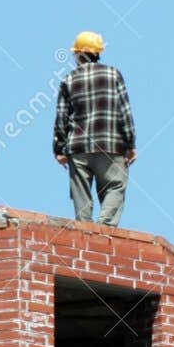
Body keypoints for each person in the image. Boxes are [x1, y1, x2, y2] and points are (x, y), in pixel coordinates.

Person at [53, 32, 136, 227]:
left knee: (80, 195)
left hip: (78, 147)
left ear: (78, 54)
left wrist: (59, 149)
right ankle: (104, 228)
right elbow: (125, 112)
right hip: (111, 145)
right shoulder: (113, 74)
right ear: (98, 53)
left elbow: (61, 118)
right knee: (115, 186)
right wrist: (130, 144)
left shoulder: (68, 80)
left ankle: (85, 232)